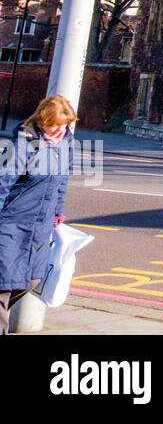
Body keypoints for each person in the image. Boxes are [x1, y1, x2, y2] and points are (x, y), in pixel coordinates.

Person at [0, 94, 76, 335]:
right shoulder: (24, 142)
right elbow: (3, 180)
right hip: (12, 222)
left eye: (63, 124)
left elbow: (62, 179)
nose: (58, 129)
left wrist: (57, 210)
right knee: (4, 284)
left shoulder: (66, 142)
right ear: (42, 119)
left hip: (41, 226)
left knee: (30, 282)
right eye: (54, 124)